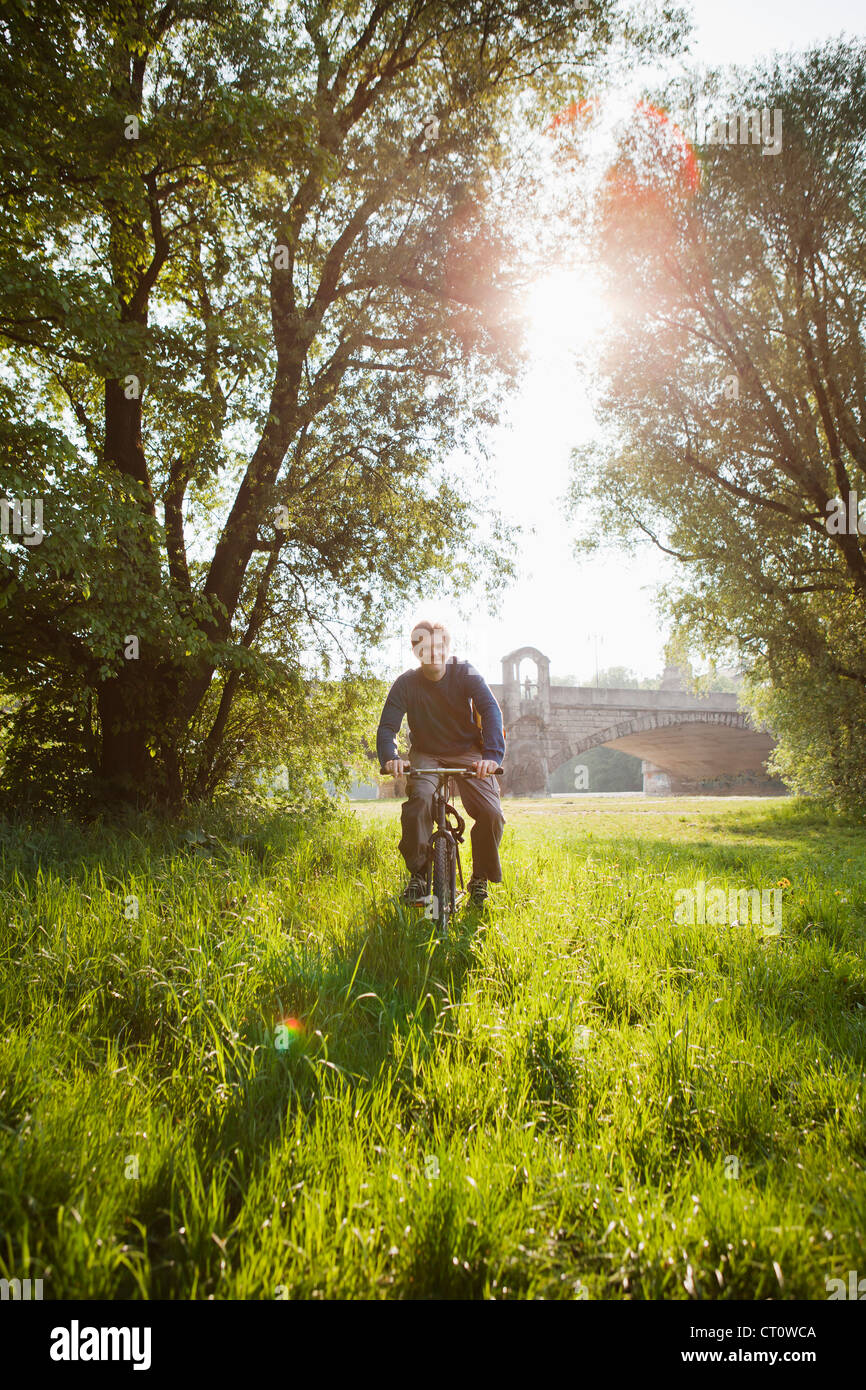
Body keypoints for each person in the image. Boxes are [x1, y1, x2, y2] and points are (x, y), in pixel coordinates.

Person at [377, 620, 506, 906]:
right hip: (427, 753)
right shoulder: (406, 683)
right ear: (416, 651)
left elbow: (490, 710)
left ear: (447, 647)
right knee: (420, 799)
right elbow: (388, 727)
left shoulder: (466, 672)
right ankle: (420, 875)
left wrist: (492, 756)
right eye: (424, 647)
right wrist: (391, 758)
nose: (433, 652)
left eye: (438, 646)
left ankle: (480, 879)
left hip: (468, 752)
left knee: (491, 813)